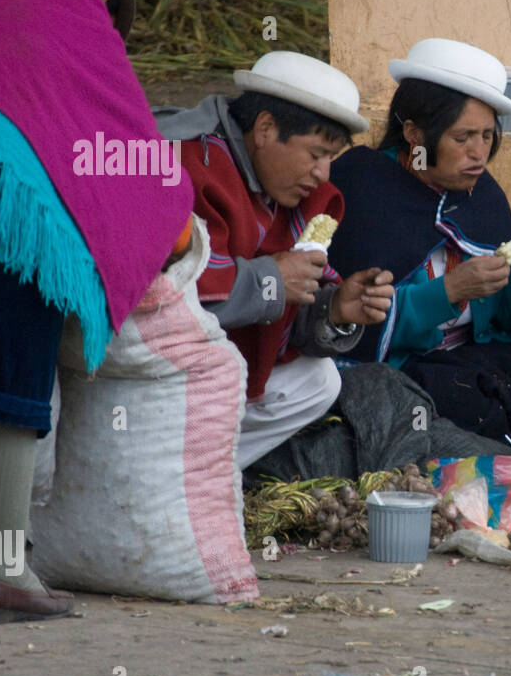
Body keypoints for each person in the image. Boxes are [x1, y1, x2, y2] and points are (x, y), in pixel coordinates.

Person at [0, 0, 193, 622]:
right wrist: (170, 217)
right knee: (11, 364)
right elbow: (126, 148)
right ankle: (5, 573)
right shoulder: (77, 11)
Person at [326, 38, 511, 457]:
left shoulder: (482, 194)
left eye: (485, 136)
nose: (478, 153)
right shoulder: (362, 188)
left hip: (478, 356)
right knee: (486, 435)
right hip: (405, 368)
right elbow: (353, 324)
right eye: (462, 138)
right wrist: (449, 291)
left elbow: (508, 324)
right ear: (415, 134)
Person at [155, 52, 395, 468]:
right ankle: (175, 474)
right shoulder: (188, 164)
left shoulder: (297, 198)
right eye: (316, 154)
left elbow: (282, 308)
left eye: (330, 159)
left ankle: (200, 473)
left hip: (216, 375)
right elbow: (166, 301)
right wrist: (270, 280)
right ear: (265, 128)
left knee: (318, 382)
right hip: (153, 369)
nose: (323, 175)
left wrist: (335, 309)